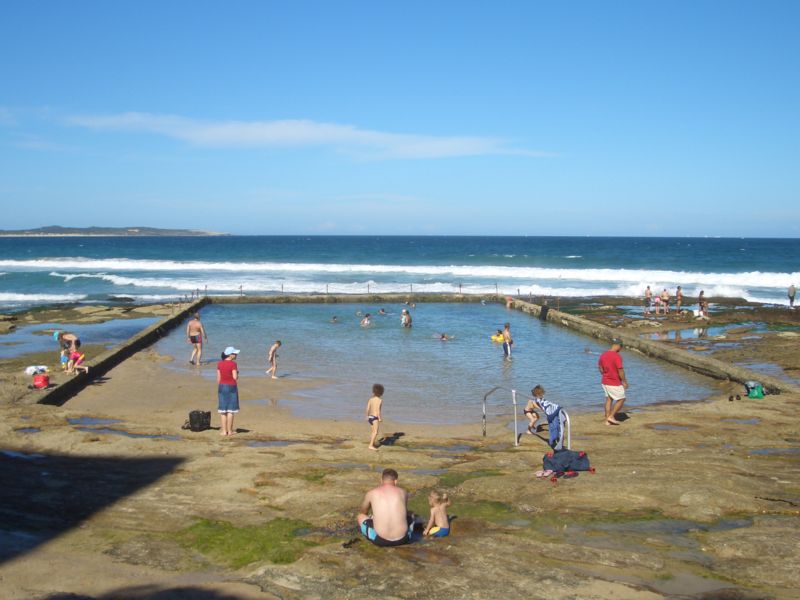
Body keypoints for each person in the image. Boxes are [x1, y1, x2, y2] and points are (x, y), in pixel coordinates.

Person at [356, 468, 413, 547]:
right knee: (411, 514)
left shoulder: (371, 493)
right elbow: (404, 513)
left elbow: (363, 512)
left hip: (380, 540)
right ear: (396, 481)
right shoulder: (403, 492)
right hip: (404, 539)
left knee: (360, 516)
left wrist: (373, 517)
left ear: (381, 480)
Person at [598, 338, 628, 426]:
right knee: (622, 399)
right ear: (618, 346)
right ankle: (611, 416)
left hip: (605, 381)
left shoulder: (603, 355)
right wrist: (624, 381)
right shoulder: (617, 356)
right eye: (621, 347)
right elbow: (620, 370)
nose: (621, 349)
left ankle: (607, 420)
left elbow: (600, 368)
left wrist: (605, 374)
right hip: (613, 382)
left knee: (609, 399)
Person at [217, 346, 240, 437]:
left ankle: (224, 431)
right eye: (235, 353)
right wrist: (237, 373)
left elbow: (218, 379)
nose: (236, 354)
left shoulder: (219, 364)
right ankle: (230, 431)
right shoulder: (233, 364)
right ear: (230, 355)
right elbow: (235, 377)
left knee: (223, 410)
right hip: (231, 387)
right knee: (231, 410)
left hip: (221, 387)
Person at [365, 383, 384, 450]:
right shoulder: (380, 400)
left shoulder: (371, 399)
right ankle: (370, 445)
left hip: (370, 417)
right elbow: (378, 410)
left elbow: (367, 408)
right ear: (381, 392)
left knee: (373, 432)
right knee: (375, 432)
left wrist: (366, 416)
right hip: (375, 417)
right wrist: (379, 418)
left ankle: (372, 443)